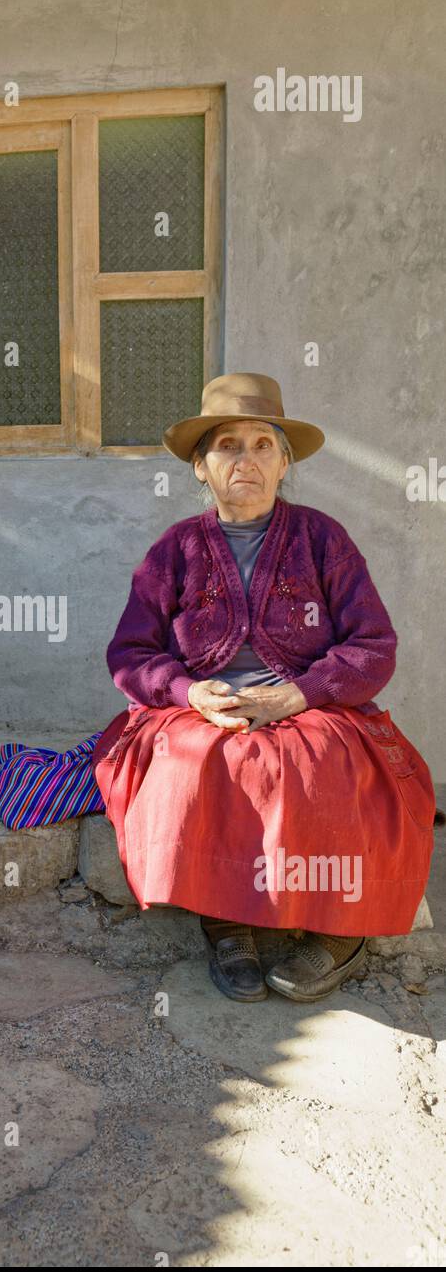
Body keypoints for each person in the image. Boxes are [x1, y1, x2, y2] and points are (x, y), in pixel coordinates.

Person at [91, 373, 436, 1003]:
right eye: (226, 445)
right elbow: (131, 653)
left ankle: (339, 934)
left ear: (283, 463)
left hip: (312, 701)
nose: (244, 460)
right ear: (201, 466)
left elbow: (373, 647)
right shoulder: (176, 550)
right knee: (196, 757)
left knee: (322, 761)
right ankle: (227, 924)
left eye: (260, 445)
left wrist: (301, 693)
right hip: (205, 707)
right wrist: (188, 691)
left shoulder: (323, 539)